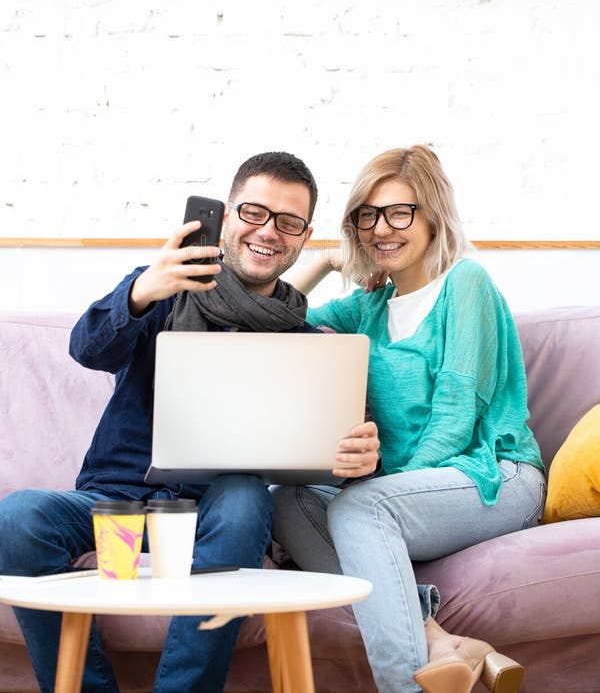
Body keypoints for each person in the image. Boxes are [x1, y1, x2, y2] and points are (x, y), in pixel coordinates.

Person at [0, 151, 377, 693]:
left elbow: (340, 451)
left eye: (288, 222)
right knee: (17, 518)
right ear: (225, 215)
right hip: (116, 501)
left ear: (304, 235)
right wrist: (140, 291)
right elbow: (87, 348)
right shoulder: (165, 285)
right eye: (254, 212)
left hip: (215, 511)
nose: (268, 231)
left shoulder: (304, 343)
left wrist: (361, 457)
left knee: (248, 497)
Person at [271, 144, 546, 693]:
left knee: (361, 508)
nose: (381, 229)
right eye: (367, 216)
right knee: (286, 500)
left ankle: (407, 687)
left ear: (433, 215)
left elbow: (455, 413)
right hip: (410, 497)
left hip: (494, 477)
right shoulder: (367, 307)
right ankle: (439, 640)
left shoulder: (465, 283)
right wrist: (327, 262)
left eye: (400, 212)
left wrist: (376, 497)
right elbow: (273, 321)